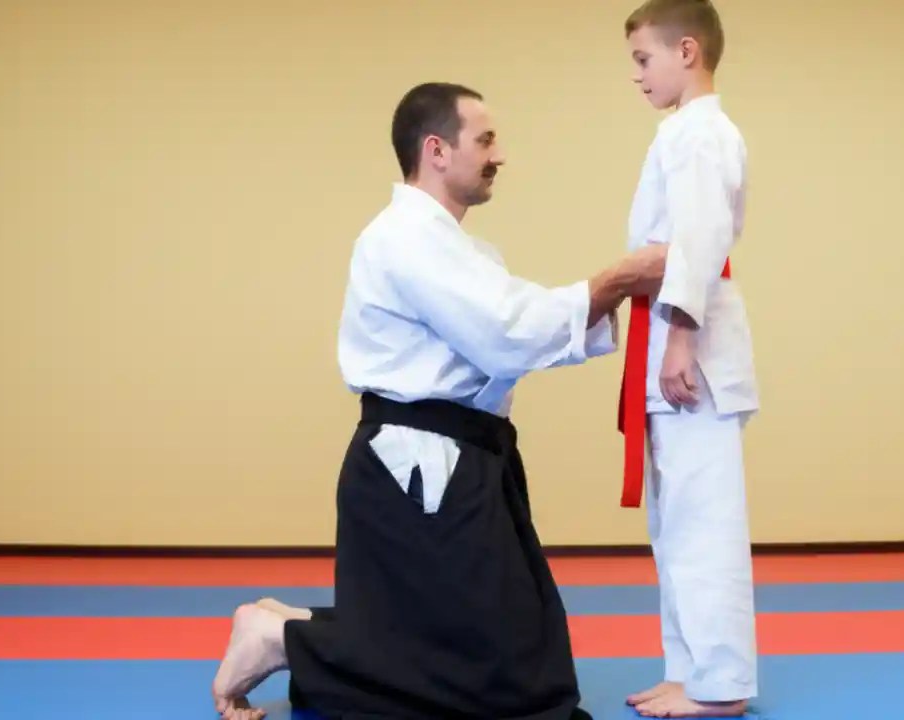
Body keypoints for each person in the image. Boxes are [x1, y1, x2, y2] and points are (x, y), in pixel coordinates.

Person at [209, 82, 669, 720]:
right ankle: (285, 638)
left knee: (526, 653)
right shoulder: (404, 238)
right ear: (436, 150)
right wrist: (615, 280)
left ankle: (290, 625)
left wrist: (607, 292)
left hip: (461, 459)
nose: (498, 154)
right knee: (492, 683)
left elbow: (512, 327)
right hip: (418, 468)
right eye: (484, 139)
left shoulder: (459, 248)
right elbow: (508, 333)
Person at [614, 1, 761, 717]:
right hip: (670, 335)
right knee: (676, 529)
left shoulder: (702, 134)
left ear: (688, 51)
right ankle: (689, 670)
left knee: (704, 526)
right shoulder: (683, 133)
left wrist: (678, 339)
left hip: (690, 347)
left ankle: (722, 684)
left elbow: (699, 243)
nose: (637, 76)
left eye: (644, 59)